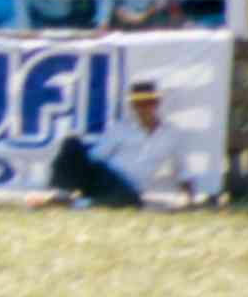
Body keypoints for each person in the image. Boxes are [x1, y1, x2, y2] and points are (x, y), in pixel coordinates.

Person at [40, 79, 215, 208]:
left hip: (129, 186)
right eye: (139, 103)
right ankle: (60, 193)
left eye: (149, 102)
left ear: (157, 104)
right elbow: (97, 156)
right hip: (106, 176)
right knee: (72, 143)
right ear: (133, 105)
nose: (144, 108)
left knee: (130, 199)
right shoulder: (120, 128)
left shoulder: (171, 134)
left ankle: (75, 203)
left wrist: (190, 199)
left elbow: (182, 170)